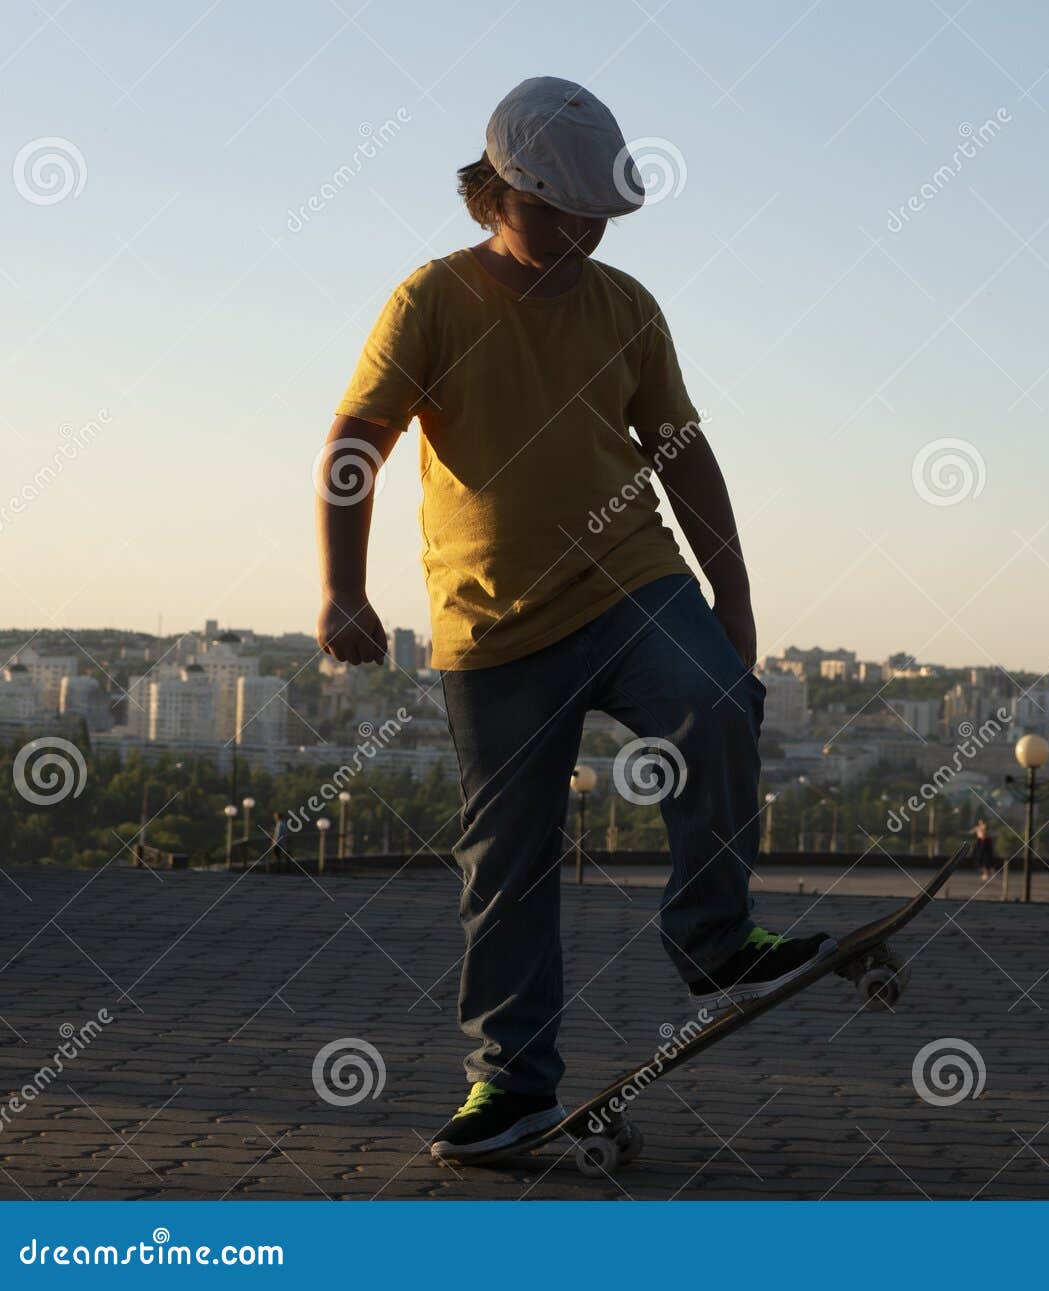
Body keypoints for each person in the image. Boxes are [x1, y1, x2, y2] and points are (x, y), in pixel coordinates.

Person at [315, 77, 833, 1167]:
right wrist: (344, 588)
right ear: (499, 193)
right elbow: (357, 438)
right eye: (560, 215)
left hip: (631, 581)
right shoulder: (433, 300)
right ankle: (510, 1089)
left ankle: (715, 936)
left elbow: (680, 452)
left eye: (597, 218)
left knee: (714, 699)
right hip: (491, 625)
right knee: (508, 862)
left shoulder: (626, 307)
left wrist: (731, 593)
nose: (581, 236)